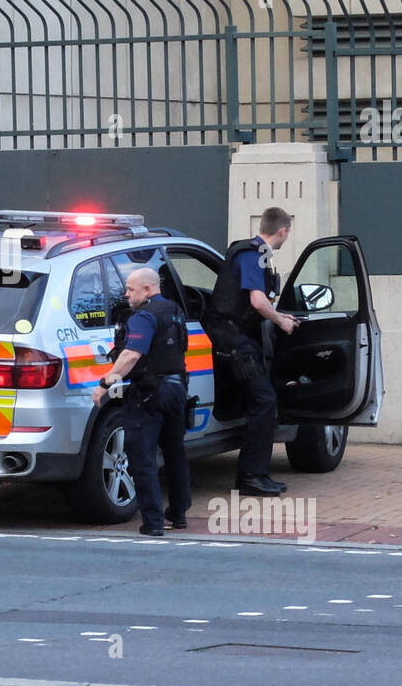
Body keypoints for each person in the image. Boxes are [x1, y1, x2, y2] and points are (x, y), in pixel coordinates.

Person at [202, 206, 300, 497]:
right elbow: (257, 301)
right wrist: (281, 320)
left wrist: (279, 315)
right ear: (282, 231)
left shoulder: (249, 253)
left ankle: (256, 474)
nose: (286, 237)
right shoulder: (254, 254)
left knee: (256, 399)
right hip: (230, 337)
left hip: (232, 335)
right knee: (265, 400)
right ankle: (251, 477)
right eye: (287, 232)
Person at [91, 267, 190, 537]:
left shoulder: (143, 316)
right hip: (176, 388)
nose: (126, 294)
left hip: (149, 392)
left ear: (147, 289)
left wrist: (106, 382)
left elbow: (132, 354)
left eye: (131, 290)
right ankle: (179, 514)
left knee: (141, 457)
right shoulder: (174, 310)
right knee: (174, 453)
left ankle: (154, 522)